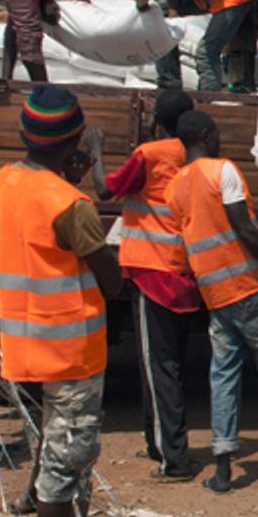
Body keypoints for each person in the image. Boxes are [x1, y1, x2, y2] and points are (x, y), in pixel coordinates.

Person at [0, 87, 123, 517]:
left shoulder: (2, 183)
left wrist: (65, 172)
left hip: (22, 341)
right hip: (72, 351)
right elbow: (110, 281)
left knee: (47, 446)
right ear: (73, 141)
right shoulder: (72, 204)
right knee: (64, 463)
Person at [168, 111, 258, 493]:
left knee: (223, 376)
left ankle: (223, 469)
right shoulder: (222, 171)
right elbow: (245, 229)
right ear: (207, 135)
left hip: (216, 294)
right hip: (252, 287)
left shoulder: (175, 186)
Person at [104, 89, 200, 480]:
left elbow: (106, 188)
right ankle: (156, 441)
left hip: (150, 272)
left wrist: (96, 152)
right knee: (165, 364)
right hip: (180, 271)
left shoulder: (150, 153)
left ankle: (173, 459)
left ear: (158, 120)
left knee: (158, 367)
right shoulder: (192, 155)